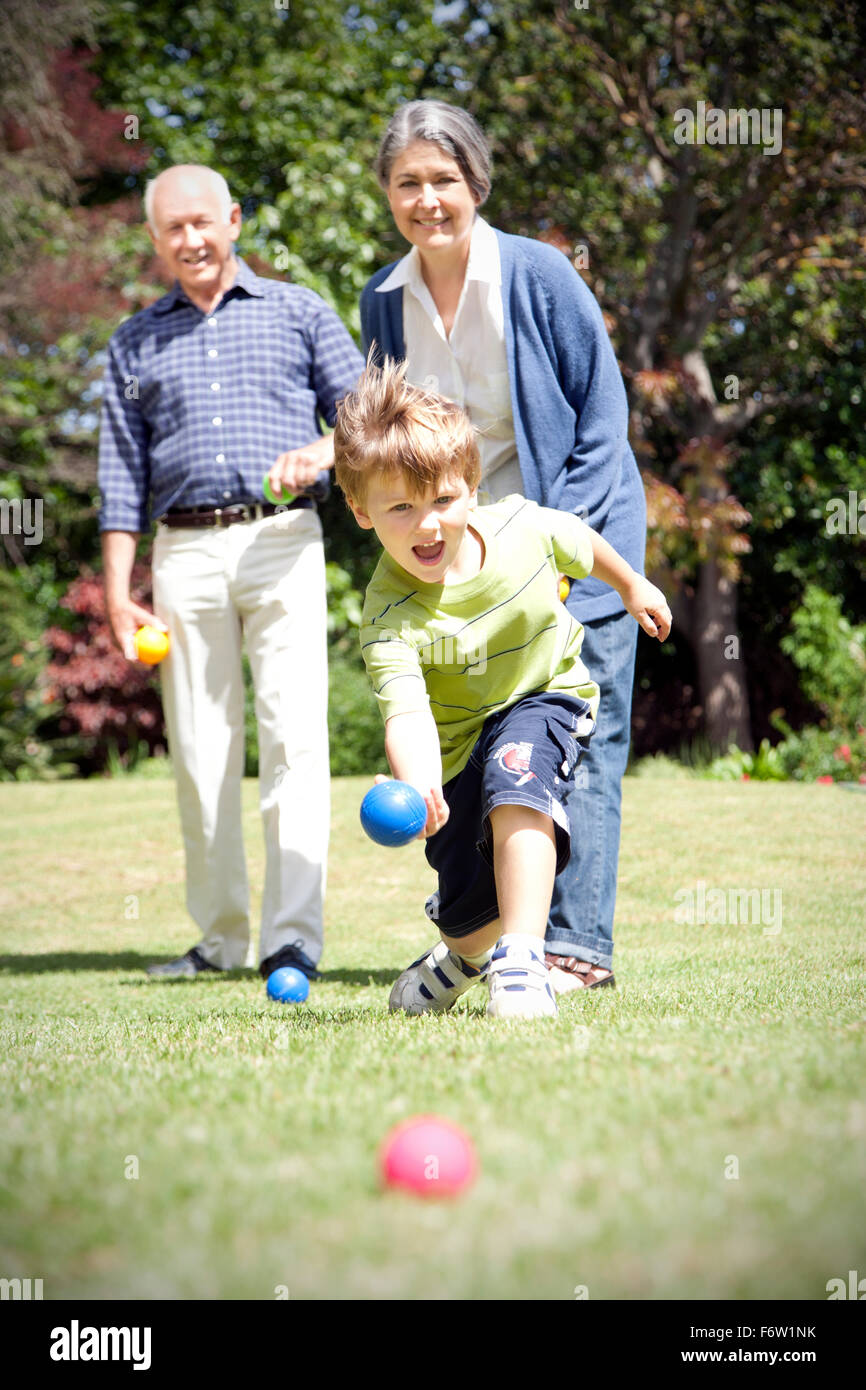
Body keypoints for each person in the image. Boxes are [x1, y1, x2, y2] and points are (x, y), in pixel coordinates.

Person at [360, 101, 648, 993]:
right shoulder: (381, 298)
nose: (428, 199)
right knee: (489, 750)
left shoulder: (540, 274)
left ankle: (576, 950)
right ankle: (491, 936)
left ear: (475, 182)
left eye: (443, 179)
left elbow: (601, 422)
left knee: (581, 736)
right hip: (453, 552)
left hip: (566, 527)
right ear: (388, 193)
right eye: (408, 182)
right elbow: (385, 437)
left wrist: (558, 559)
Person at [333, 359, 670, 1020]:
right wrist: (423, 780)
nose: (428, 525)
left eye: (444, 500)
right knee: (468, 918)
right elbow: (406, 711)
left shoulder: (519, 529)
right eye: (400, 507)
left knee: (520, 783)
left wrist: (633, 585)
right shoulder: (387, 613)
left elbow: (578, 541)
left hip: (545, 692)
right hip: (457, 743)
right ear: (360, 510)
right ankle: (463, 957)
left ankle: (522, 961)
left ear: (472, 487)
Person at [98, 164, 364, 981]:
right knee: (201, 754)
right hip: (182, 554)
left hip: (283, 540)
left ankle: (293, 939)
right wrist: (117, 595)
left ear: (234, 220)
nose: (191, 239)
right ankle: (218, 941)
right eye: (173, 228)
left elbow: (366, 413)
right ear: (156, 240)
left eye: (203, 221)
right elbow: (119, 476)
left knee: (293, 740)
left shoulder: (298, 310)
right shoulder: (133, 343)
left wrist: (322, 450)